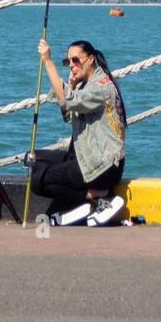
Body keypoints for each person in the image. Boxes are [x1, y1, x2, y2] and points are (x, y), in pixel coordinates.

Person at [30, 38, 126, 223]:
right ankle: (78, 205)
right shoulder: (85, 85)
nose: (72, 66)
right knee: (33, 160)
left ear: (90, 59)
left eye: (76, 60)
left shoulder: (102, 86)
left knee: (38, 181)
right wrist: (72, 86)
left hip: (103, 165)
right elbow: (68, 115)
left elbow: (69, 101)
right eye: (68, 62)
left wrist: (48, 62)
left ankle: (98, 196)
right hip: (84, 156)